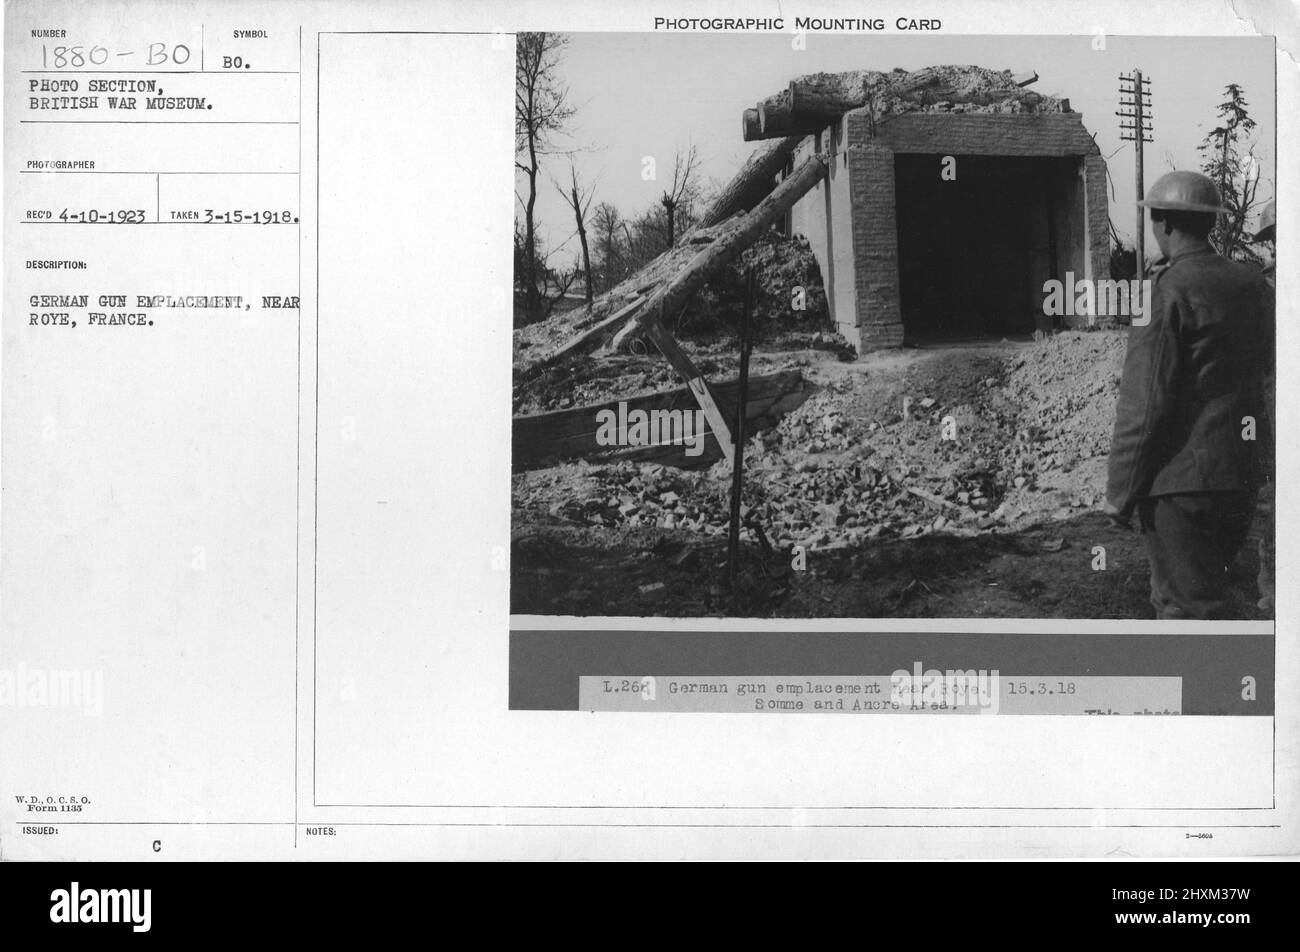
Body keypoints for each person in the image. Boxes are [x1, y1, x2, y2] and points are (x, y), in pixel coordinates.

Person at [1105, 171, 1274, 619]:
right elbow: (1268, 377)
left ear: (1163, 224)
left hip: (1180, 488)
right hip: (1241, 477)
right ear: (1211, 225)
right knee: (1212, 591)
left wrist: (1120, 492)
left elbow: (1144, 404)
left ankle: (1207, 687)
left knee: (1188, 609)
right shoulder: (1254, 285)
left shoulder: (1164, 291)